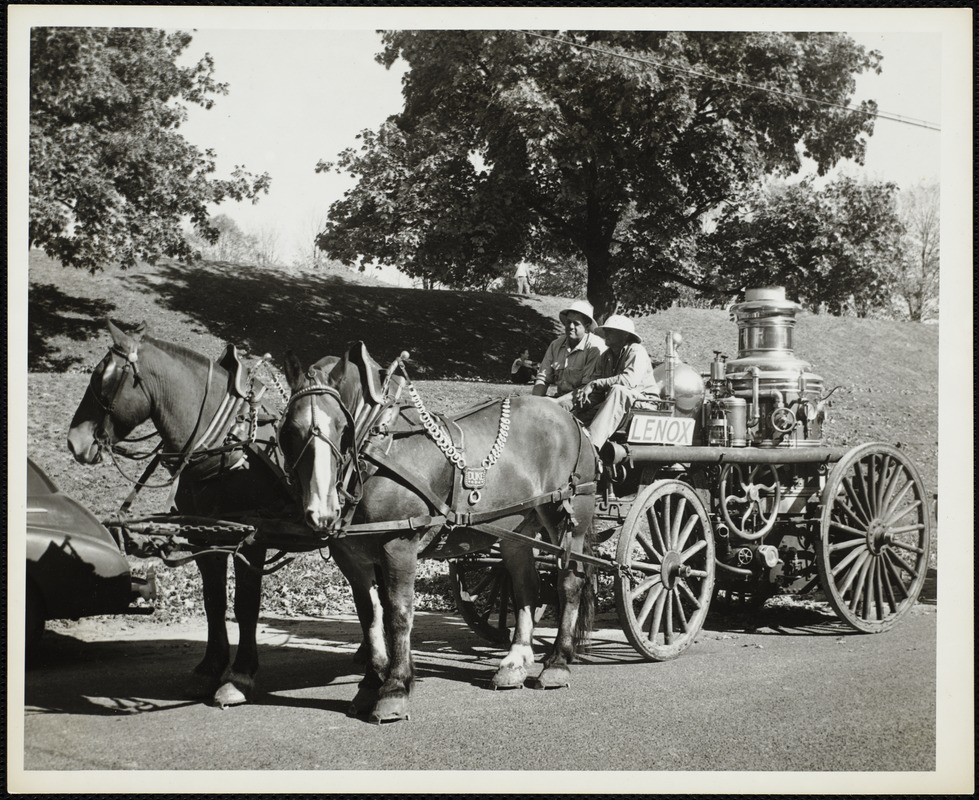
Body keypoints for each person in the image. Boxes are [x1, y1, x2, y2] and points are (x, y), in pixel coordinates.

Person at [563, 314, 660, 451]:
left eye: (611, 331)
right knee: (583, 404)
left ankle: (592, 445)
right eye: (606, 331)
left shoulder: (636, 351)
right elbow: (596, 390)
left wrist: (595, 384)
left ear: (625, 335)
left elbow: (628, 381)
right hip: (614, 403)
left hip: (643, 403)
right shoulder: (605, 357)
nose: (606, 334)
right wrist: (582, 399)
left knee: (618, 390)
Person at [531, 300, 606, 399]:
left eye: (576, 323)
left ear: (587, 326)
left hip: (585, 400)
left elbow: (586, 386)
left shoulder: (594, 347)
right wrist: (535, 401)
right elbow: (543, 379)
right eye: (568, 322)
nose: (571, 327)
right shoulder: (555, 345)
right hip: (561, 399)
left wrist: (556, 403)